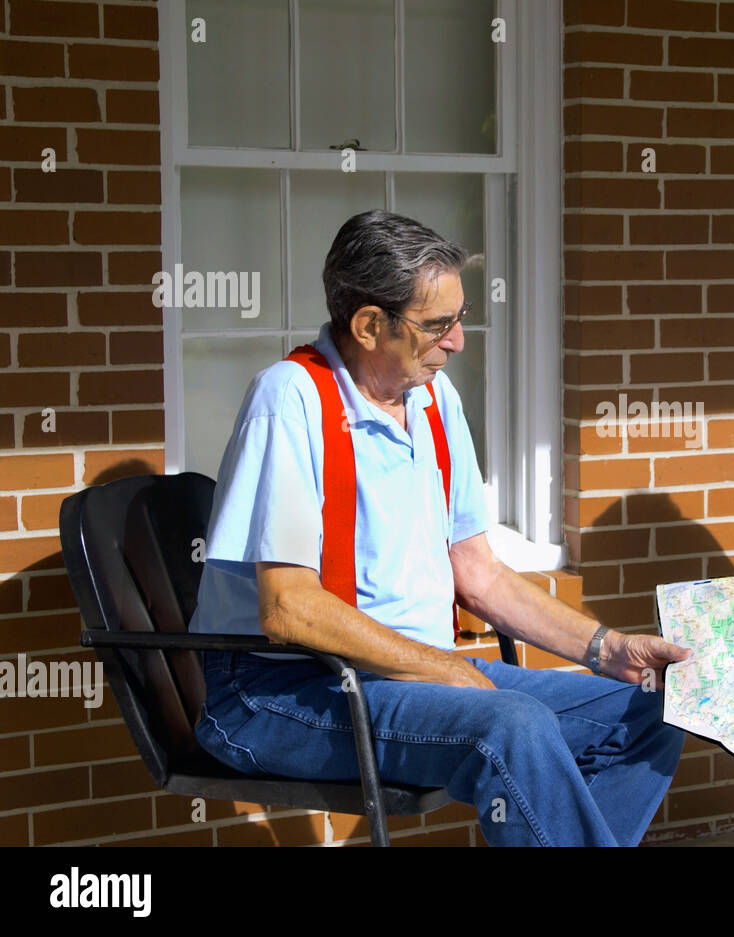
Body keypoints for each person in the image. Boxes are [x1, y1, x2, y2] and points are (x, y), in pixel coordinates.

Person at [189, 209, 687, 846]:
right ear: (369, 324)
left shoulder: (434, 398)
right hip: (282, 692)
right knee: (512, 725)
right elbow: (290, 609)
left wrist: (610, 649)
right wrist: (444, 670)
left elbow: (478, 576)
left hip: (412, 678)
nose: (457, 342)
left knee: (655, 711)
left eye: (461, 316)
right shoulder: (290, 399)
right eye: (438, 325)